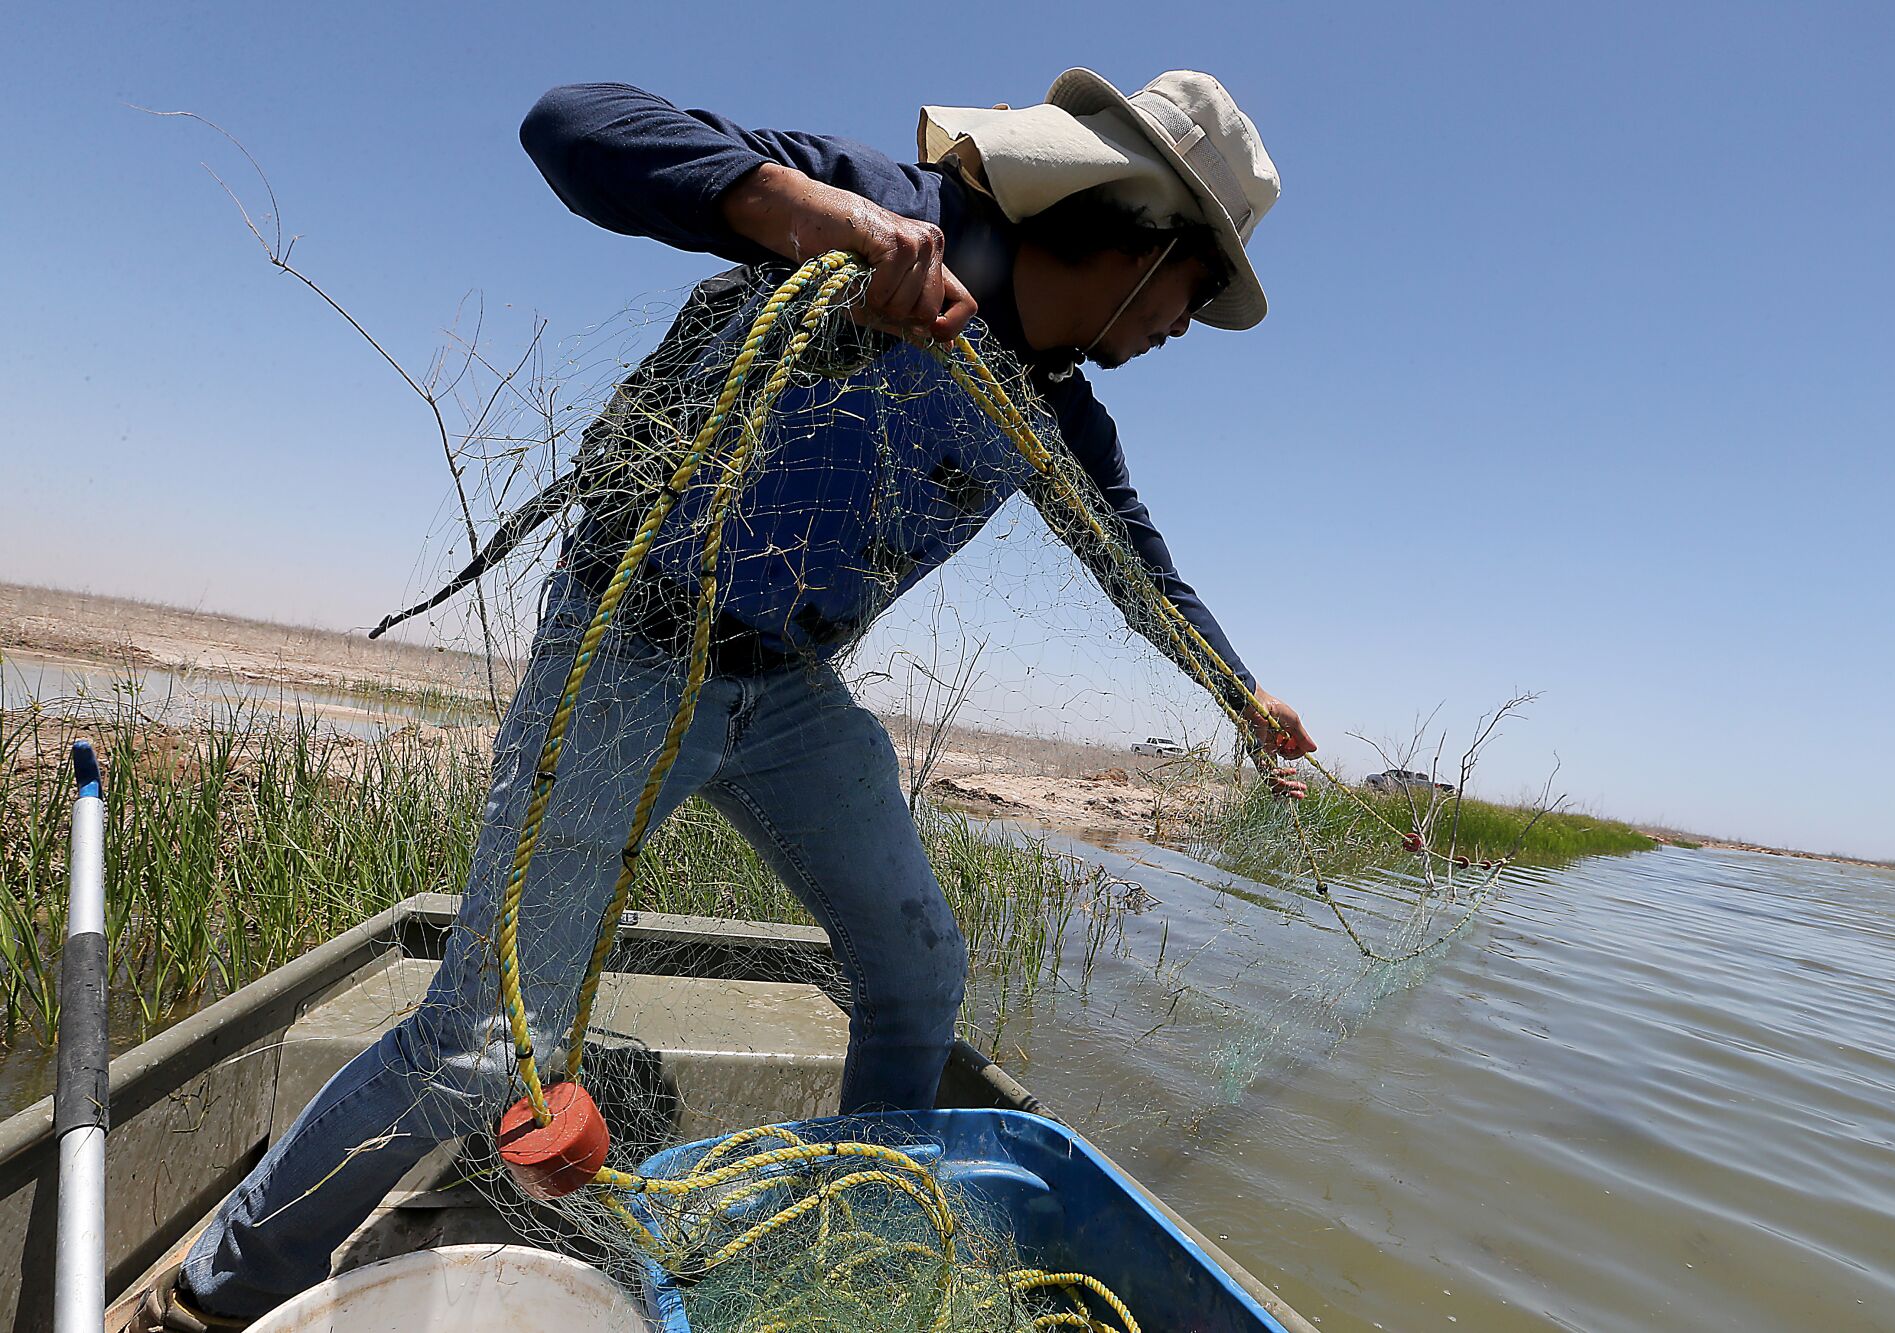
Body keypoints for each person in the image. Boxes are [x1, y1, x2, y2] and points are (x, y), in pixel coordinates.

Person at [139, 67, 1318, 1330]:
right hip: (631, 655)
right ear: (1141, 245)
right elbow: (570, 126)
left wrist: (1242, 699)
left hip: (789, 694)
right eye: (1194, 296)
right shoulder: (879, 204)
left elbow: (1137, 561)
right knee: (481, 1044)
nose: (1180, 331)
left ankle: (856, 1240)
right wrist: (815, 222)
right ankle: (211, 1299)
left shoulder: (1063, 415)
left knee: (921, 971)